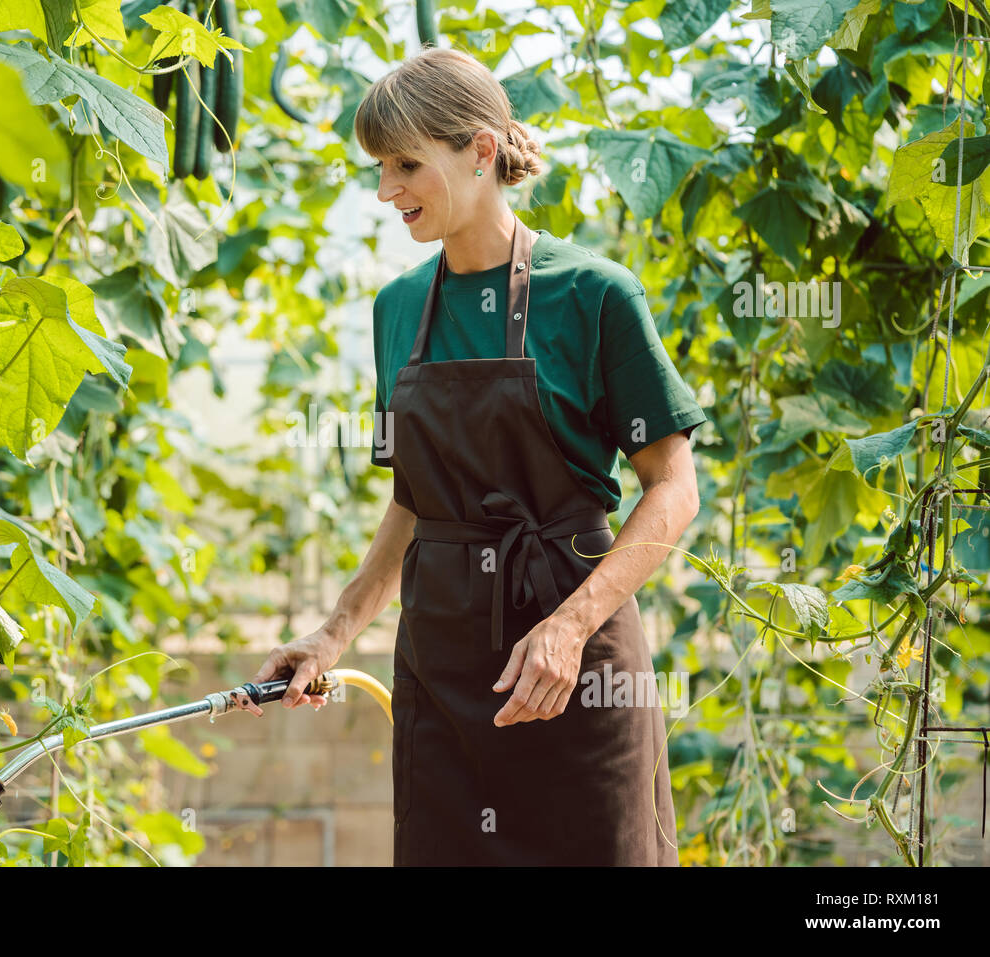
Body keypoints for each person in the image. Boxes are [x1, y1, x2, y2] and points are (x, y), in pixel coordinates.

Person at [243, 47, 707, 865]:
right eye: (380, 169)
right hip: (442, 680)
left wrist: (567, 629)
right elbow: (416, 504)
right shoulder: (395, 311)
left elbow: (674, 490)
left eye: (406, 165)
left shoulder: (595, 295)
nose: (387, 191)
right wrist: (330, 636)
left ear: (482, 151)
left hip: (577, 671)